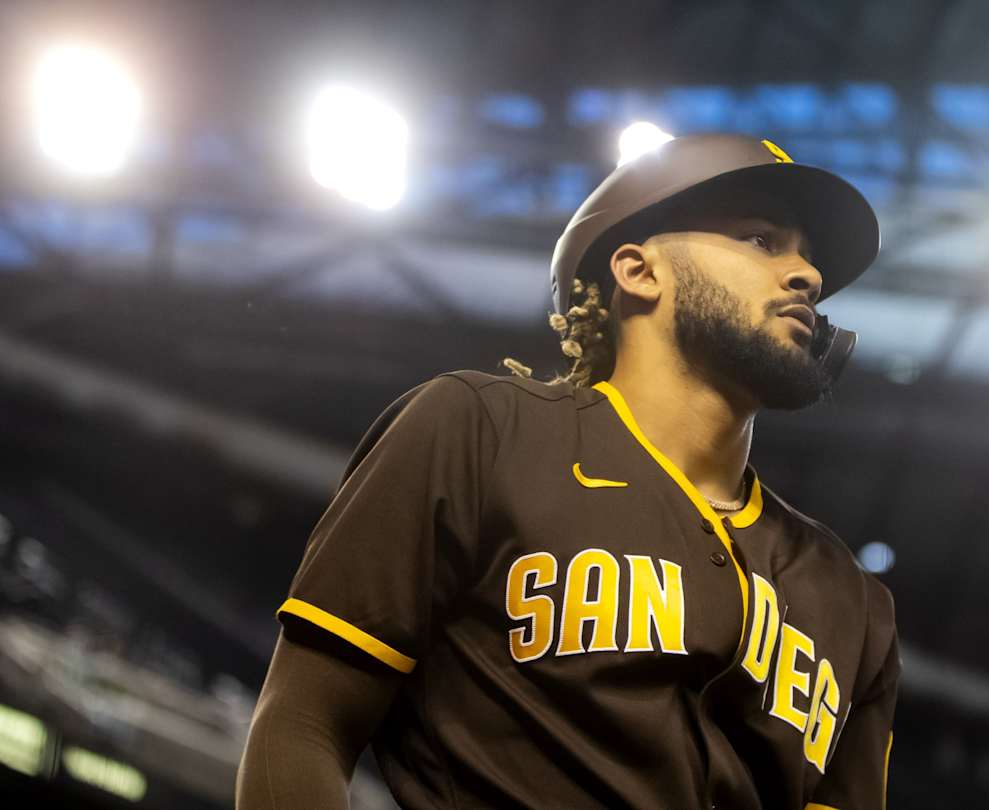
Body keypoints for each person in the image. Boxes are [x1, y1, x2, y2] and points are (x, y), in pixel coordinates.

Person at [237, 133, 900, 810]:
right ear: (639, 271)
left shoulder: (854, 601)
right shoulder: (478, 432)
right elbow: (302, 726)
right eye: (763, 240)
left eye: (809, 259)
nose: (808, 277)